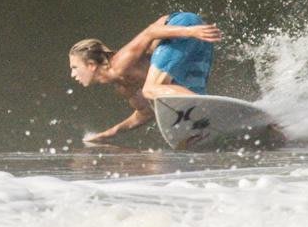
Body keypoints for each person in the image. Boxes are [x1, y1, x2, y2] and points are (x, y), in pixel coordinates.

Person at [69, 12, 222, 146]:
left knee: (150, 89)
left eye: (74, 67)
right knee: (177, 102)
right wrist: (110, 133)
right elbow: (146, 112)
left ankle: (211, 112)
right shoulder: (124, 87)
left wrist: (190, 31)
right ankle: (216, 121)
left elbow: (150, 32)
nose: (72, 74)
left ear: (90, 65)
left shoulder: (121, 62)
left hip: (184, 27)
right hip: (188, 39)